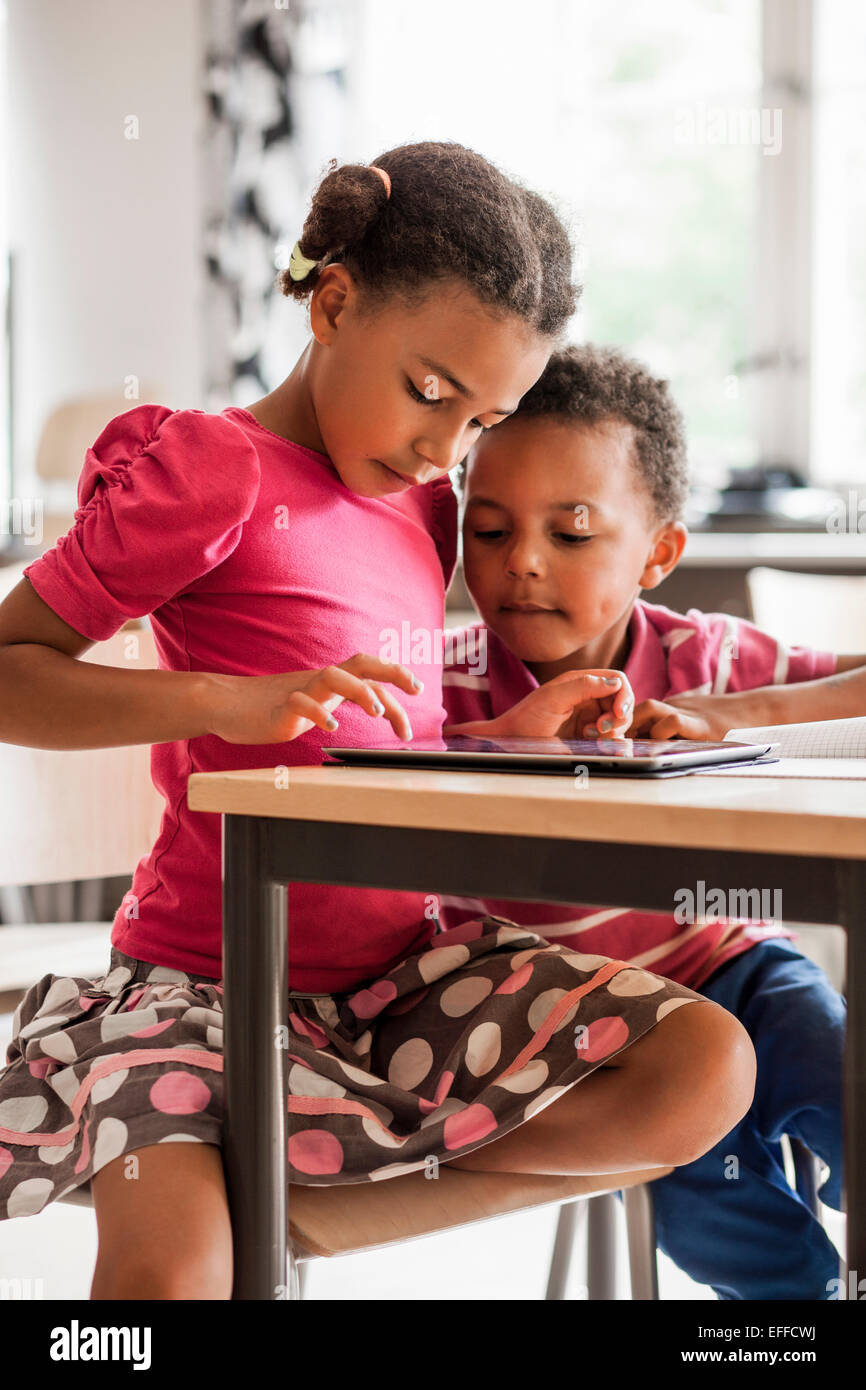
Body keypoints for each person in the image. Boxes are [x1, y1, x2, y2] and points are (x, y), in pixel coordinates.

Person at [0, 151, 754, 1301]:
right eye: (428, 390)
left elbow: (368, 741)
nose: (443, 446)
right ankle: (237, 1209)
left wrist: (504, 733)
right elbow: (13, 670)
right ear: (334, 301)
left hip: (404, 972)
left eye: (481, 417)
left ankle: (291, 1213)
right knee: (167, 1288)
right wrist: (223, 702)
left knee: (705, 1063)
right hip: (205, 981)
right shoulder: (212, 470)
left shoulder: (423, 499)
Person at [441, 342, 861, 1299]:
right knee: (703, 1188)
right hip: (577, 1026)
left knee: (837, 1066)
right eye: (491, 530)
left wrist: (733, 717)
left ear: (660, 553)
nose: (524, 565)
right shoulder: (444, 680)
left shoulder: (706, 659)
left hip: (731, 962)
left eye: (573, 534)